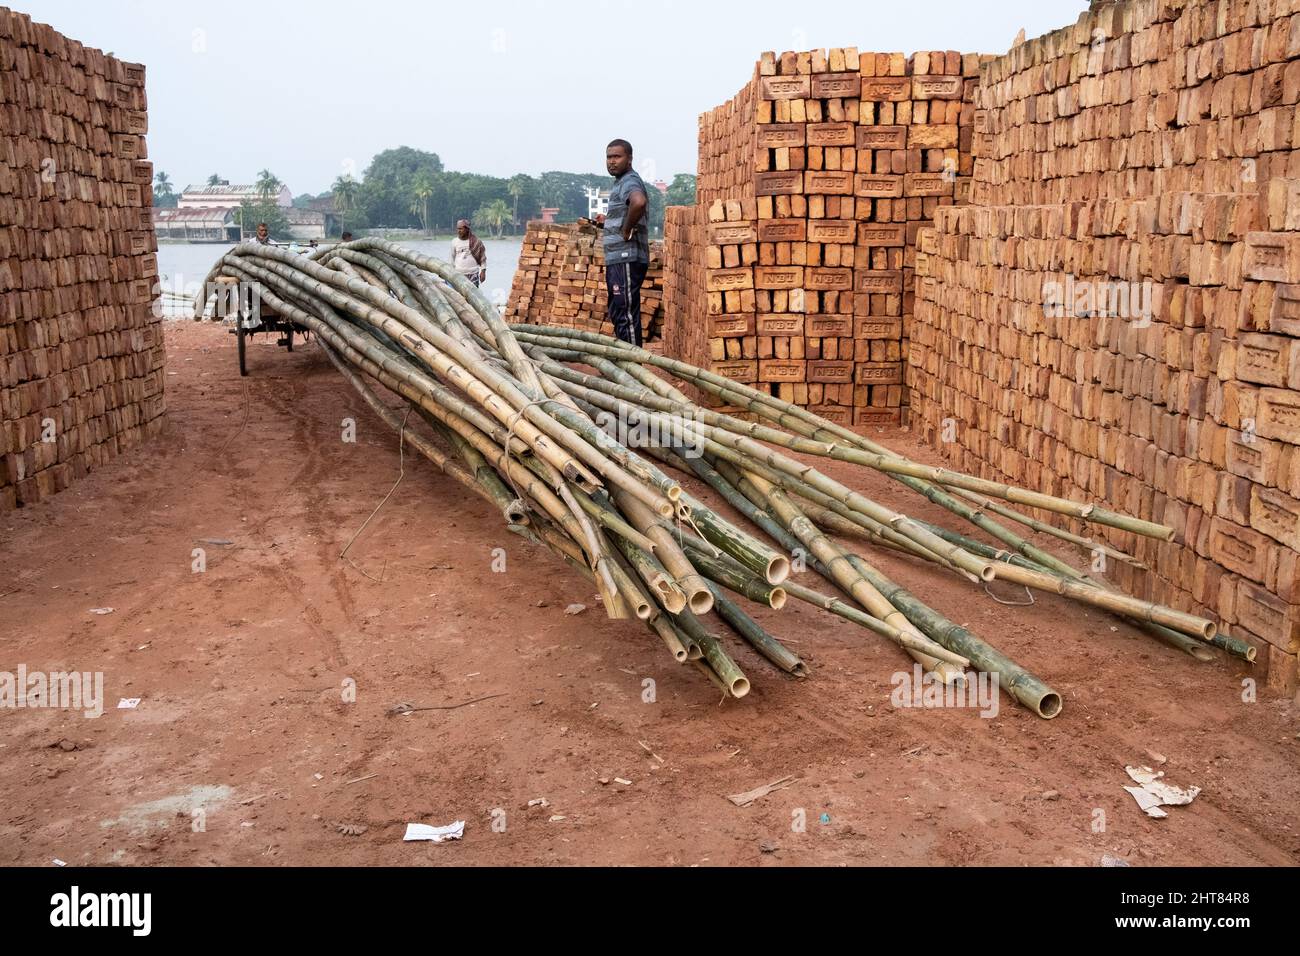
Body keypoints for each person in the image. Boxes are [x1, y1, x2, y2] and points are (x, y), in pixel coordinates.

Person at [596, 139, 649, 346]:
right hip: (618, 259)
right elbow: (629, 209)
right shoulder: (620, 183)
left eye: (617, 157)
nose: (611, 161)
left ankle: (634, 367)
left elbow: (639, 202)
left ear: (629, 159)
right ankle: (625, 363)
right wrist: (608, 223)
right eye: (609, 157)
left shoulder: (629, 181)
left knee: (625, 312)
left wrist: (626, 230)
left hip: (626, 258)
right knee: (618, 310)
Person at [451, 219, 487, 286]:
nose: (458, 231)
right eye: (458, 229)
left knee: (473, 294)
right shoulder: (454, 241)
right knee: (459, 295)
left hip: (473, 274)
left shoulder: (476, 242)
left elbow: (483, 258)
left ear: (467, 229)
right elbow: (452, 258)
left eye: (461, 229)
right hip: (459, 274)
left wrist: (483, 271)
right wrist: (450, 272)